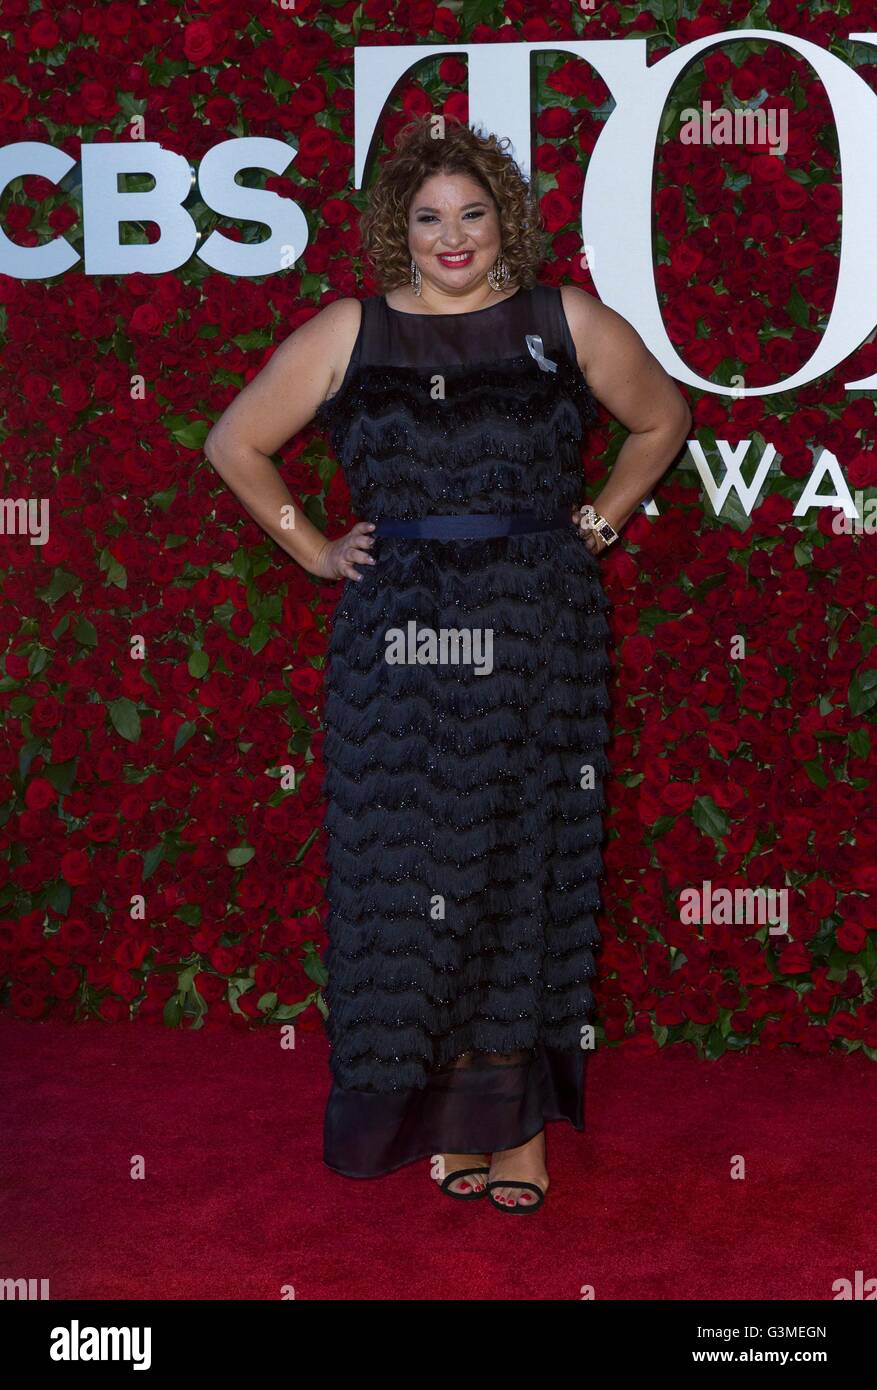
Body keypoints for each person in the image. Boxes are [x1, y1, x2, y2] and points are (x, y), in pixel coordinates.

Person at [205, 115, 691, 1213]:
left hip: (536, 631)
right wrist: (315, 548)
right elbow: (234, 442)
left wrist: (597, 526)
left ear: (502, 217)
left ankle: (514, 1128)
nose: (452, 236)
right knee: (406, 877)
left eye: (471, 212)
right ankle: (439, 1110)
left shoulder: (561, 318)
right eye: (428, 218)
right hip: (399, 646)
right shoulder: (350, 331)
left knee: (519, 870)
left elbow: (661, 419)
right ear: (399, 230)